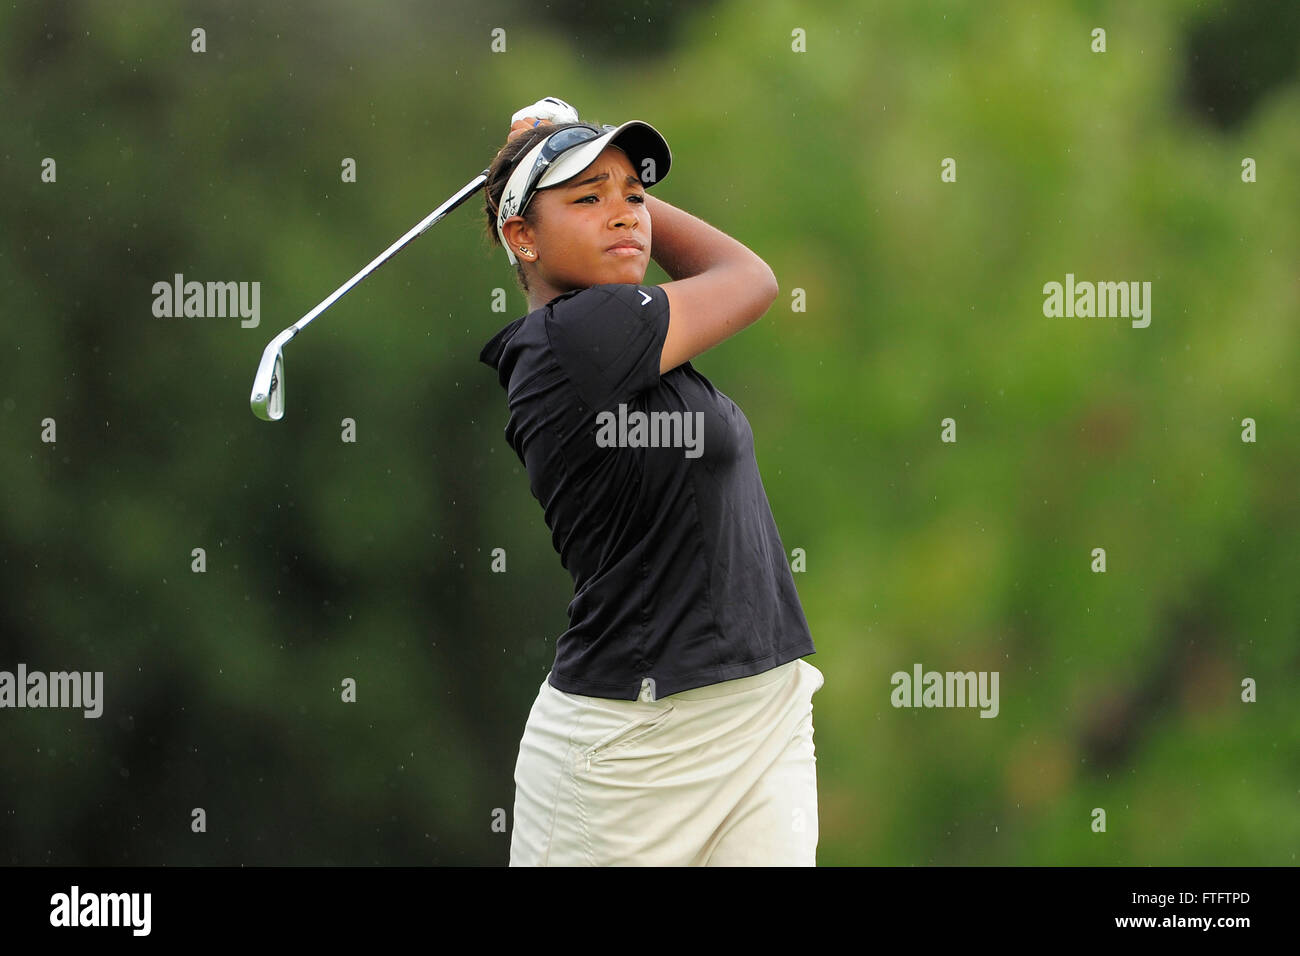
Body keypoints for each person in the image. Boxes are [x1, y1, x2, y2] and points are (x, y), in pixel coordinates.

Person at [478, 110, 824, 866]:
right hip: (628, 756)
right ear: (521, 238)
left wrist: (567, 171)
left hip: (761, 711)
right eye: (587, 200)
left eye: (636, 195)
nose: (625, 215)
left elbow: (728, 275)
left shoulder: (633, 345)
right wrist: (549, 165)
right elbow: (750, 279)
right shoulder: (581, 333)